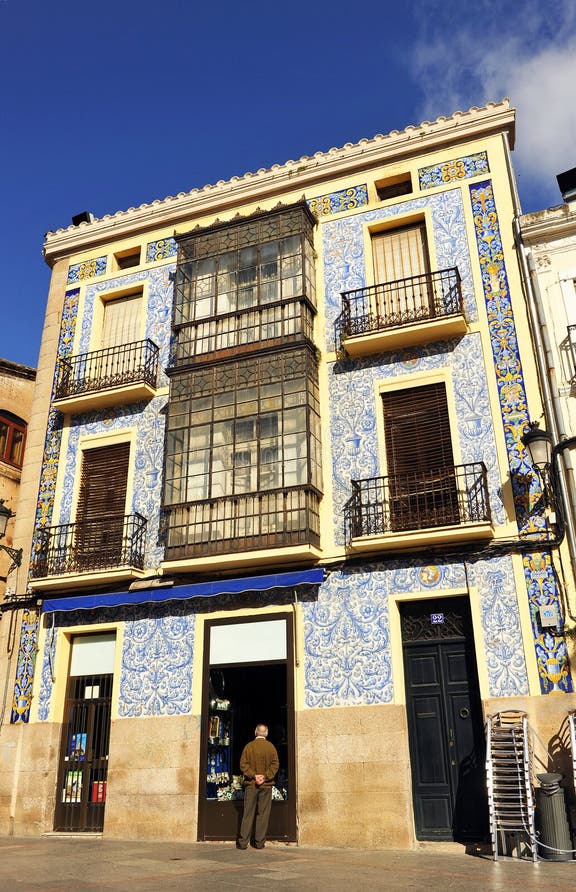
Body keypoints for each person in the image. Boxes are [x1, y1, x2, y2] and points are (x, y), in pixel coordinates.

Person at [237, 723, 279, 849]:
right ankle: (259, 842)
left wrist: (254, 776)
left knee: (248, 813)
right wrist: (265, 776)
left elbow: (243, 764)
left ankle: (243, 842)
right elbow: (275, 764)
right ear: (266, 733)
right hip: (266, 785)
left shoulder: (248, 747)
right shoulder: (271, 747)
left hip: (251, 785)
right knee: (263, 814)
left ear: (255, 732)